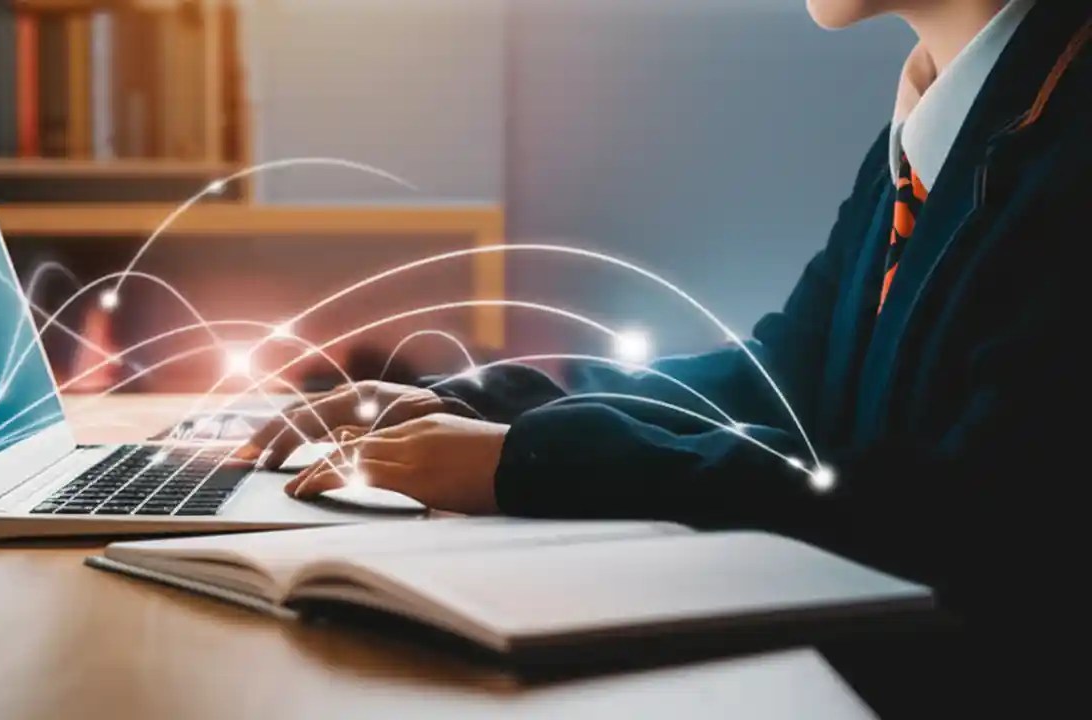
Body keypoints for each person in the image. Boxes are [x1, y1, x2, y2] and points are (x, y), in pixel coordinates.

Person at [242, 0, 1087, 710]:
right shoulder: (936, 131)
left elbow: (956, 520)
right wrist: (483, 400)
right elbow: (778, 383)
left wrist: (536, 462)